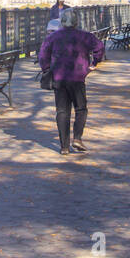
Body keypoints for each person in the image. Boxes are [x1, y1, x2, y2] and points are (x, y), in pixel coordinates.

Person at [38, 9, 105, 154]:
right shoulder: (85, 36)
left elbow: (43, 55)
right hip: (78, 77)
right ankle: (77, 138)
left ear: (62, 22)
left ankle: (64, 147)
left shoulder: (53, 37)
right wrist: (94, 63)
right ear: (76, 22)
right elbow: (99, 47)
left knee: (62, 111)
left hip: (59, 78)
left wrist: (47, 69)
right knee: (81, 108)